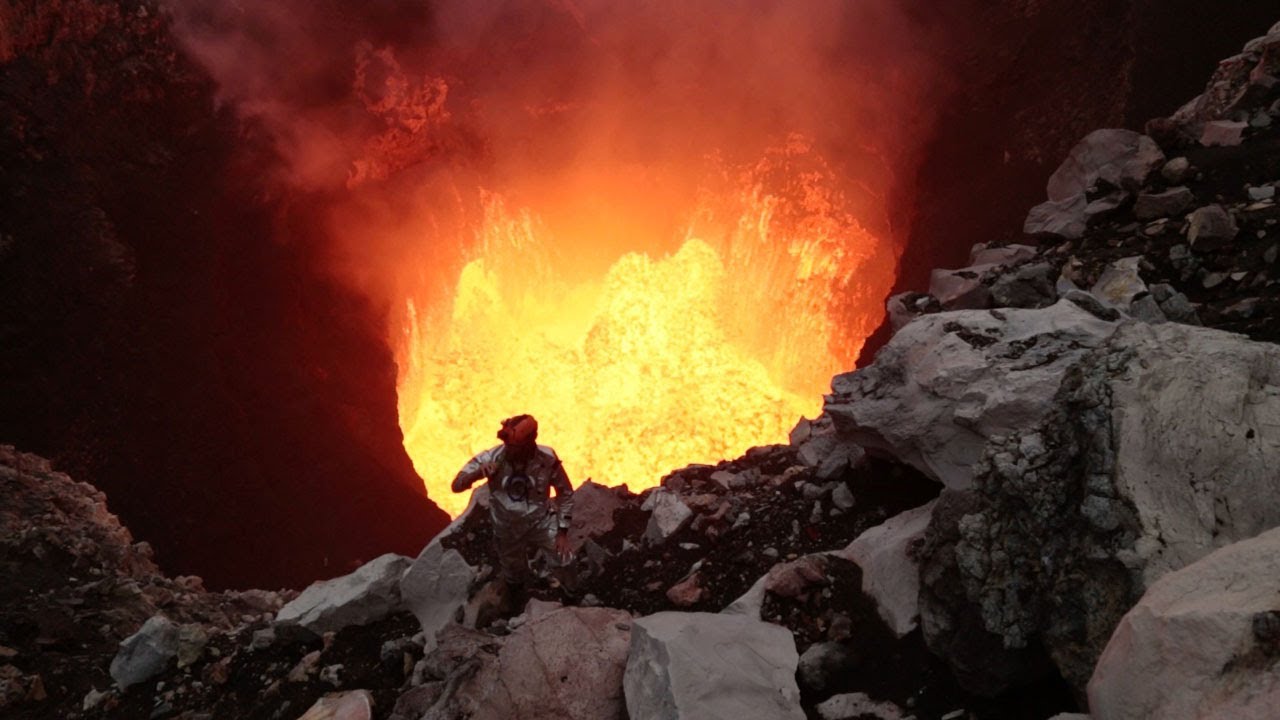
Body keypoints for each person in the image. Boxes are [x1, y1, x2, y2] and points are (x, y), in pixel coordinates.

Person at [451, 414, 575, 587]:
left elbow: (566, 493)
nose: (509, 450)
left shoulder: (547, 459)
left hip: (541, 521)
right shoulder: (492, 457)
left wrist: (562, 532)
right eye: (508, 445)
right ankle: (520, 598)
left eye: (515, 447)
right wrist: (478, 473)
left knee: (565, 559)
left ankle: (571, 593)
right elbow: (456, 485)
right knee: (514, 574)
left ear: (529, 443)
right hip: (507, 527)